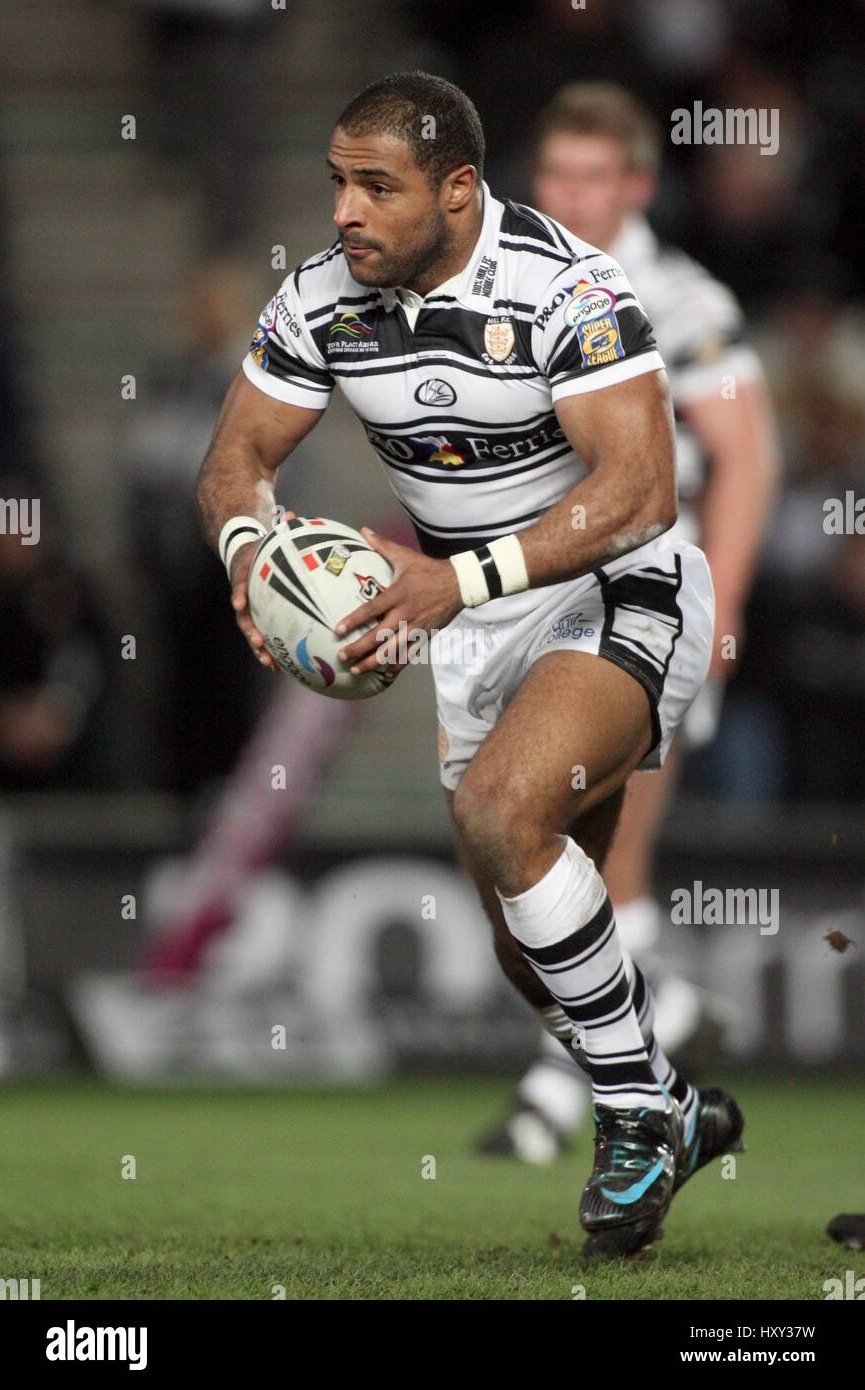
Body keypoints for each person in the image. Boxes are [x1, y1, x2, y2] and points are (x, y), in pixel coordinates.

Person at [197, 70, 743, 1258]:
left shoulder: (568, 289)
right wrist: (257, 564)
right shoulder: (319, 301)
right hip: (478, 619)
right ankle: (670, 1101)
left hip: (617, 583)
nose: (344, 212)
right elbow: (234, 465)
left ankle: (636, 1118)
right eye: (337, 182)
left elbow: (641, 491)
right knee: (522, 938)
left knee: (502, 811)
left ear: (457, 189)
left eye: (374, 187)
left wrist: (460, 579)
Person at [476, 82, 780, 1162]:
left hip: (649, 600)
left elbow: (743, 456)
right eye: (553, 173)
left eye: (591, 176)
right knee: (541, 849)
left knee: (593, 856)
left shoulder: (678, 297)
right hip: (535, 604)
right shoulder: (506, 281)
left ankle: (561, 1106)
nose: (568, 194)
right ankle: (663, 1020)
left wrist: (728, 604)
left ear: (637, 185)